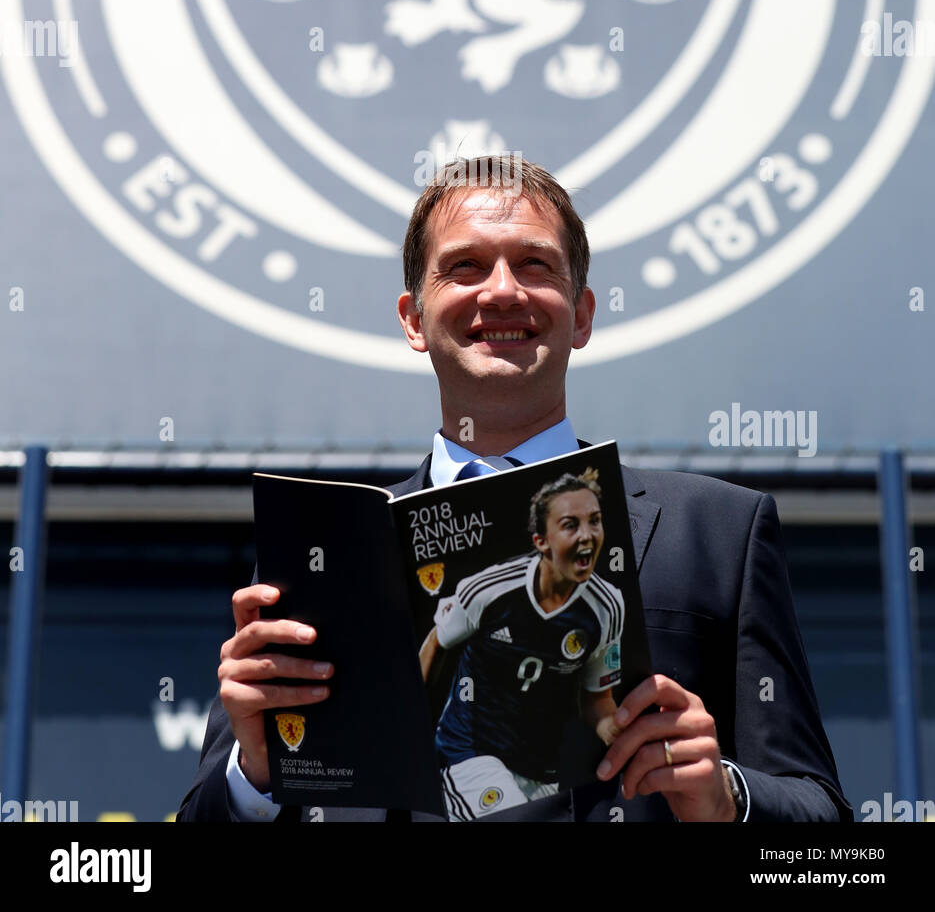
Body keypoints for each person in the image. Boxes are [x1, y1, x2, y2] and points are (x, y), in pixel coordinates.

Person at [177, 156, 852, 823]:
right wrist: (254, 776)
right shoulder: (322, 557)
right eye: (464, 266)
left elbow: (821, 832)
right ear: (413, 319)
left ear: (581, 315)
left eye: (534, 265)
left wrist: (722, 796)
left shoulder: (717, 534)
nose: (502, 291)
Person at [421, 467, 625, 820]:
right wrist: (412, 731)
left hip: (541, 772)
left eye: (595, 521)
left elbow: (597, 700)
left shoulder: (607, 607)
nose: (588, 536)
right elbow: (437, 642)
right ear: (541, 542)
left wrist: (615, 729)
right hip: (469, 753)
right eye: (571, 525)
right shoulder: (488, 589)